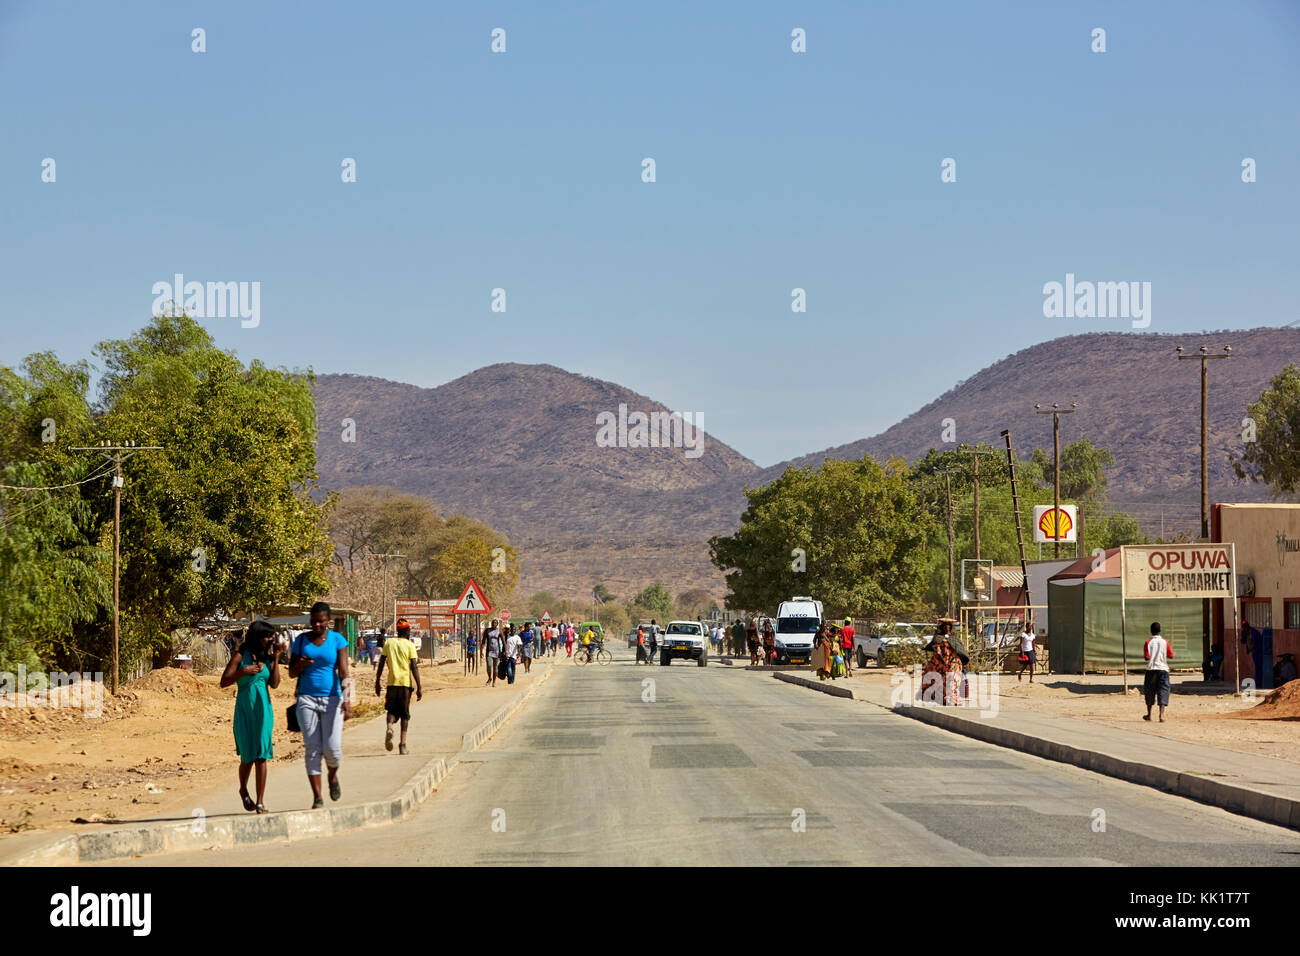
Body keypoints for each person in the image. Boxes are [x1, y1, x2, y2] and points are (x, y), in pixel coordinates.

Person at [289, 601, 352, 809]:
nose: (316, 625)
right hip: (307, 699)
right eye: (313, 621)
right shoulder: (300, 641)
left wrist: (347, 700)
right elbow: (291, 672)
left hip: (333, 698)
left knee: (332, 748)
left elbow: (343, 672)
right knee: (313, 748)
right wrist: (301, 664)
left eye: (321, 621)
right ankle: (317, 797)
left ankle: (332, 777)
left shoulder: (337, 640)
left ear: (329, 622)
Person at [220, 620, 281, 814]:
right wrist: (242, 672)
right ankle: (243, 789)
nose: (270, 639)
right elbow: (224, 682)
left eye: (271, 636)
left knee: (262, 755)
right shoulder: (240, 656)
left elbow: (275, 683)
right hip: (245, 709)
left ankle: (260, 802)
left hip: (263, 709)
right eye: (267, 635)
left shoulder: (268, 658)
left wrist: (277, 659)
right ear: (257, 636)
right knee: (247, 756)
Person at [375, 618, 422, 755]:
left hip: (391, 684)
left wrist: (377, 681)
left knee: (391, 711)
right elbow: (414, 666)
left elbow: (382, 663)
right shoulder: (409, 645)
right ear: (406, 631)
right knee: (405, 715)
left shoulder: (389, 643)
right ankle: (402, 745)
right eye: (409, 631)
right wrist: (419, 686)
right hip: (405, 685)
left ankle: (390, 727)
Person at [922, 625, 965, 706]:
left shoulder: (954, 637)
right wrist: (942, 658)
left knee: (953, 680)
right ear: (942, 627)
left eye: (949, 626)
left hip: (953, 662)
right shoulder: (938, 637)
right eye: (945, 626)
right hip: (940, 662)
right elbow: (936, 649)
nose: (947, 628)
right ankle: (942, 697)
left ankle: (953, 698)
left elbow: (960, 649)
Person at [1143, 622, 1172, 723]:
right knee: (1163, 690)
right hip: (1163, 669)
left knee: (1150, 691)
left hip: (1151, 670)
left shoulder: (1148, 642)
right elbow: (1170, 655)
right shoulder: (1165, 642)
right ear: (1160, 630)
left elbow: (1146, 657)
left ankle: (1149, 715)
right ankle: (1161, 715)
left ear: (1151, 631)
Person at [485, 620, 501, 686]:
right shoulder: (487, 630)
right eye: (492, 623)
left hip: (497, 651)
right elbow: (483, 640)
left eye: (495, 623)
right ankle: (489, 678)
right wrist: (481, 651)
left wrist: (504, 651)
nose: (493, 624)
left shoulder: (499, 631)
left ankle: (494, 682)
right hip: (489, 651)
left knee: (495, 667)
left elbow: (503, 641)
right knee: (489, 665)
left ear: (497, 624)